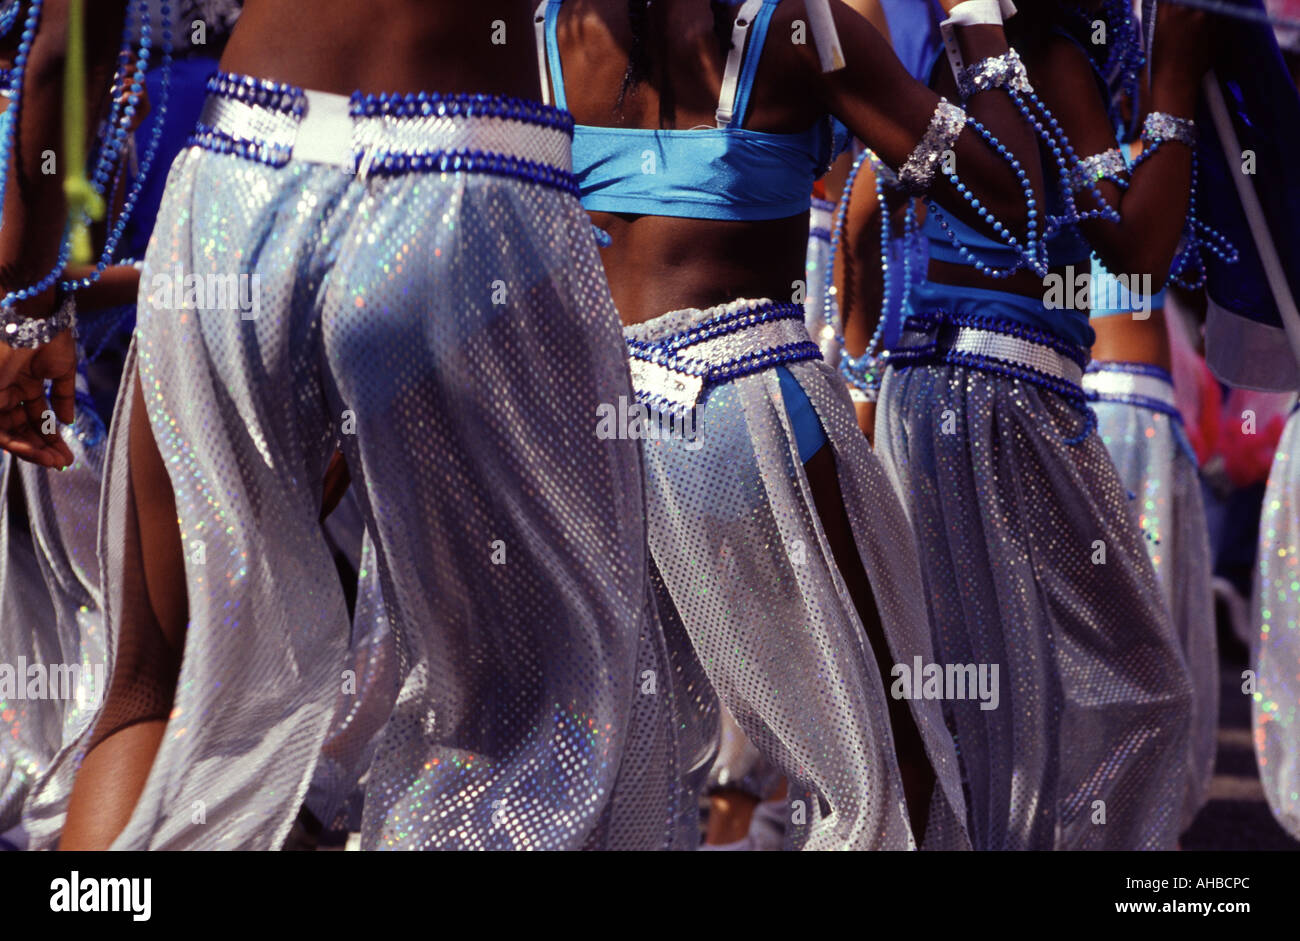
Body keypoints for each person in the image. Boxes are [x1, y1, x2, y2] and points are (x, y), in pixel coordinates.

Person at [0, 0, 689, 850]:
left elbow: (69, 37)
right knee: (516, 711)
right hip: (465, 186)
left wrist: (28, 307)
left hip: (244, 183)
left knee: (157, 677)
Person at [541, 0, 1055, 848]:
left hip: (582, 422)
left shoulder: (545, 30)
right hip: (743, 416)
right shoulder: (799, 29)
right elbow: (1010, 191)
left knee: (608, 755)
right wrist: (978, 25)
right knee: (881, 751)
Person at [870, 0, 1214, 848]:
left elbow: (859, 219)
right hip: (1004, 392)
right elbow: (1135, 251)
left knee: (983, 707)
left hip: (943, 385)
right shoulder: (1053, 57)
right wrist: (1176, 79)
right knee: (1142, 689)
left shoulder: (961, 52)